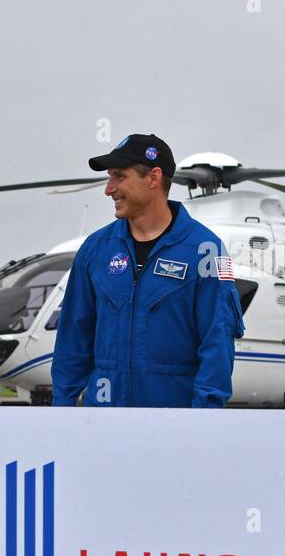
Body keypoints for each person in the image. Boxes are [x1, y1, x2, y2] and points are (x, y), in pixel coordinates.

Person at [51, 133, 245, 408]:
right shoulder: (94, 250)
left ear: (153, 178)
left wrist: (204, 419)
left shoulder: (210, 251)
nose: (109, 189)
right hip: (104, 421)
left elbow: (218, 341)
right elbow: (73, 338)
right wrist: (62, 409)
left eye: (119, 177)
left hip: (173, 426)